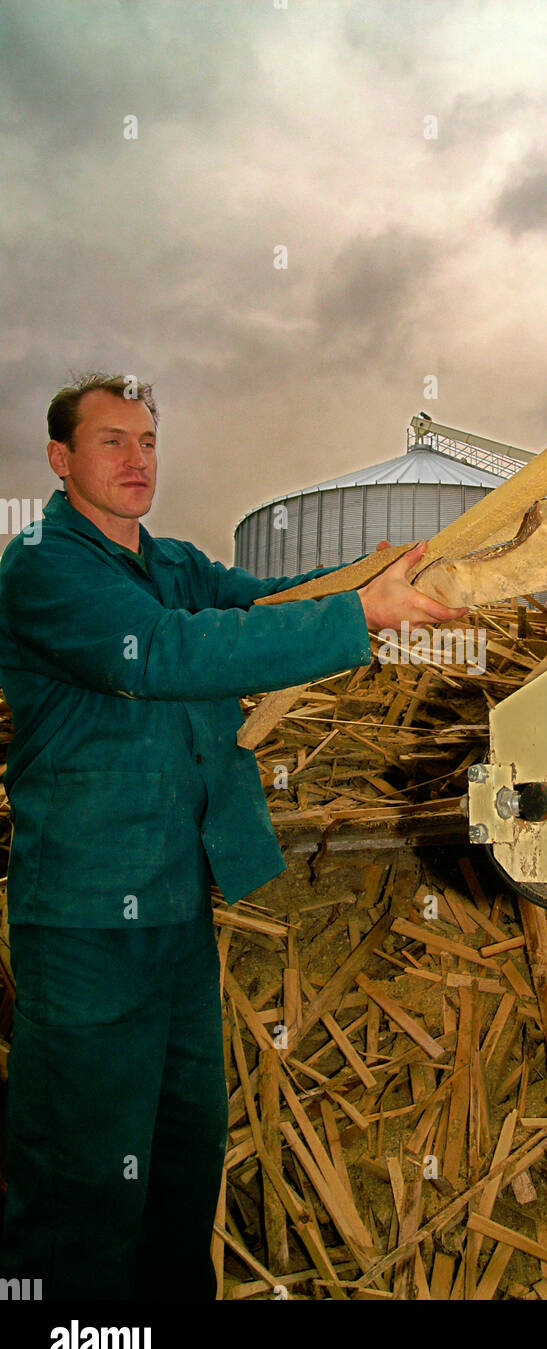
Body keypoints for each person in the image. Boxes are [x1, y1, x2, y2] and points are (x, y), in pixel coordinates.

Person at [0, 373, 463, 1299]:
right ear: (61, 459)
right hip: (89, 921)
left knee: (182, 1154)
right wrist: (358, 618)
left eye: (148, 441)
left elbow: (260, 605)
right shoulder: (44, 565)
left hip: (176, 904)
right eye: (111, 442)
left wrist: (359, 582)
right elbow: (168, 653)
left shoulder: (171, 561)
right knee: (84, 1176)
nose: (138, 460)